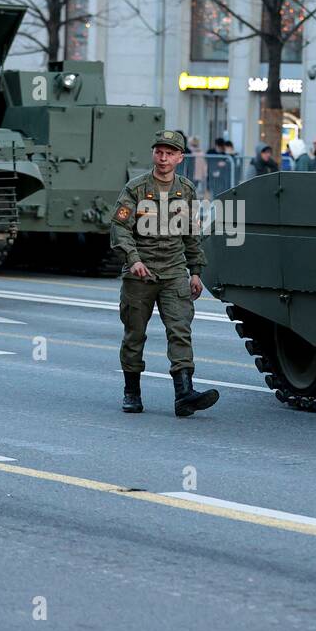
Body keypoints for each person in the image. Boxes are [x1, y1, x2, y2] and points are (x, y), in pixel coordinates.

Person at [111, 130, 221, 418]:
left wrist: (195, 272)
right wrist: (133, 259)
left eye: (170, 153)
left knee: (180, 330)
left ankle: (184, 394)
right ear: (153, 154)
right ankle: (131, 392)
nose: (163, 158)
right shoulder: (135, 188)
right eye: (159, 152)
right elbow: (120, 228)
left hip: (174, 272)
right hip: (140, 274)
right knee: (135, 335)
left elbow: (191, 232)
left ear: (180, 158)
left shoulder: (185, 190)